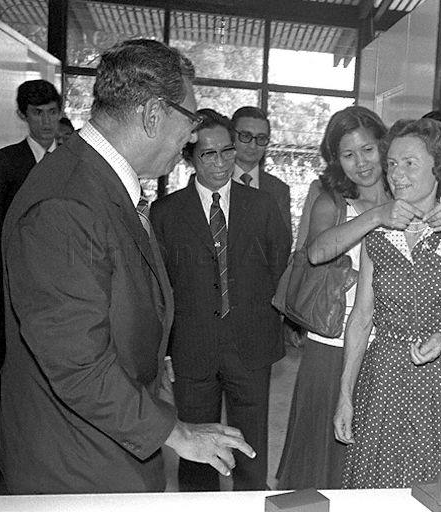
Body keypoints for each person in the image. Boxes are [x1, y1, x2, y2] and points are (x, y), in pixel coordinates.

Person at [0, 39, 254, 494]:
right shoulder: (67, 203)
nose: (193, 137)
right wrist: (175, 432)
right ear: (154, 114)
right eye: (190, 120)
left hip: (109, 448)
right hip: (76, 469)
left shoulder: (103, 183)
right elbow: (78, 365)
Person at [333, 118, 441, 489]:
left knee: (435, 486)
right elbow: (362, 319)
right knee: (374, 485)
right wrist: (345, 395)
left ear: (438, 167)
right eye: (392, 164)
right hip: (382, 379)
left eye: (409, 163)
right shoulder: (378, 233)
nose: (396, 174)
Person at [150, 109, 290, 491]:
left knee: (250, 447)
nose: (221, 162)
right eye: (208, 154)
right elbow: (160, 289)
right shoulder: (166, 213)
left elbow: (279, 265)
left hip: (251, 344)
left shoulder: (262, 206)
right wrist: (164, 352)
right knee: (197, 451)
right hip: (192, 348)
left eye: (227, 151)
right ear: (190, 158)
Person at [277, 106, 410, 490]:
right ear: (336, 160)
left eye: (368, 150)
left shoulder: (412, 198)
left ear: (384, 147)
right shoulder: (332, 204)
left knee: (376, 462)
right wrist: (376, 215)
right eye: (348, 155)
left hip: (389, 351)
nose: (361, 163)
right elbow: (317, 252)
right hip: (332, 348)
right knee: (321, 461)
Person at [0, 78, 61, 488]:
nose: (47, 121)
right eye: (37, 113)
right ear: (23, 115)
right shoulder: (0, 165)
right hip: (16, 293)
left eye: (53, 112)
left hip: (66, 295)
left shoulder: (72, 161)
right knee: (3, 373)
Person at [231, 106, 292, 243]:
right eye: (246, 136)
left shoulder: (279, 190)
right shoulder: (209, 180)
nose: (253, 145)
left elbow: (283, 244)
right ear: (231, 136)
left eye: (261, 138)